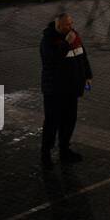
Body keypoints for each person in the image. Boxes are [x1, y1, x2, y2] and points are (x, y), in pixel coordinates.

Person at [39, 12, 92, 165]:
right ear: (59, 26)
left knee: (69, 120)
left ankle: (64, 150)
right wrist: (66, 44)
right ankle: (46, 154)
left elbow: (82, 56)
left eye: (71, 23)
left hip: (71, 89)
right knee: (52, 122)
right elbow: (52, 61)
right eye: (67, 25)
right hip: (54, 90)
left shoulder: (74, 36)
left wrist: (88, 75)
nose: (71, 27)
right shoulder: (48, 41)